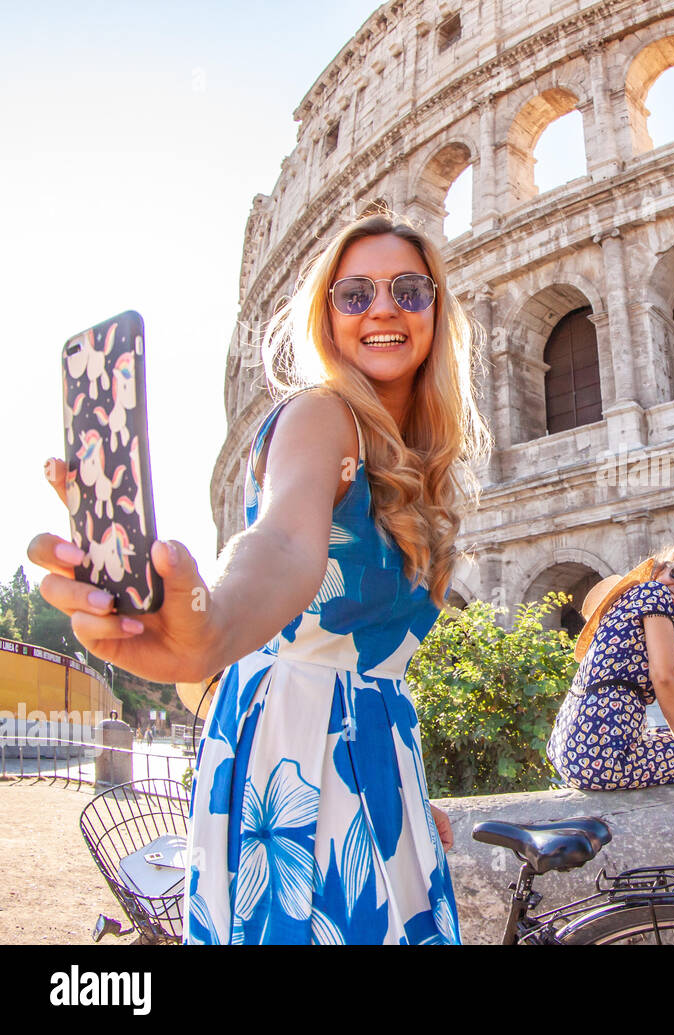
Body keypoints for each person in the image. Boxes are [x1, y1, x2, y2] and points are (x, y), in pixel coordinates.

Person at [28, 213, 490, 943]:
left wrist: (392, 779)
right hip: (293, 752)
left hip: (366, 756)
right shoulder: (321, 416)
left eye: (408, 288)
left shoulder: (416, 460)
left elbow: (367, 659)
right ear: (328, 316)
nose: (382, 308)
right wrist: (209, 627)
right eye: (354, 293)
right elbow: (280, 544)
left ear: (436, 309)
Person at [547, 537, 674, 790]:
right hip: (600, 757)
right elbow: (663, 676)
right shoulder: (655, 594)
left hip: (573, 752)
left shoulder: (633, 601)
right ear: (661, 569)